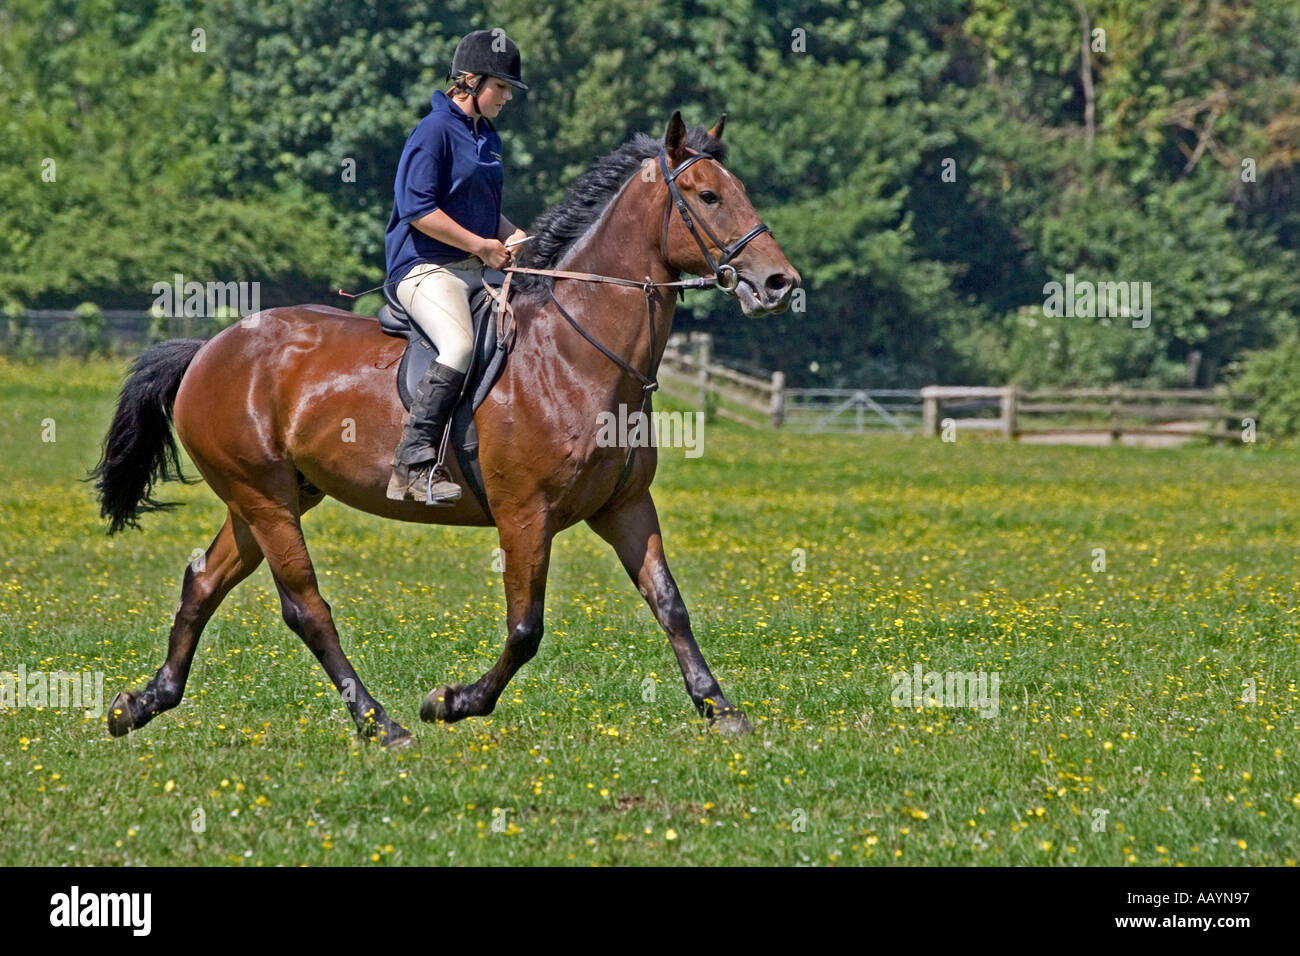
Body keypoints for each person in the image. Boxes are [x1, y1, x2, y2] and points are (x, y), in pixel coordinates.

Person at [383, 29, 528, 505]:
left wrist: (510, 234)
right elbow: (418, 210)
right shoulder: (433, 131)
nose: (507, 96)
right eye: (501, 87)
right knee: (460, 346)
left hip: (475, 266)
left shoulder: (487, 136)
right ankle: (413, 462)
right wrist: (482, 247)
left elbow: (483, 210)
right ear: (469, 80)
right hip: (425, 268)